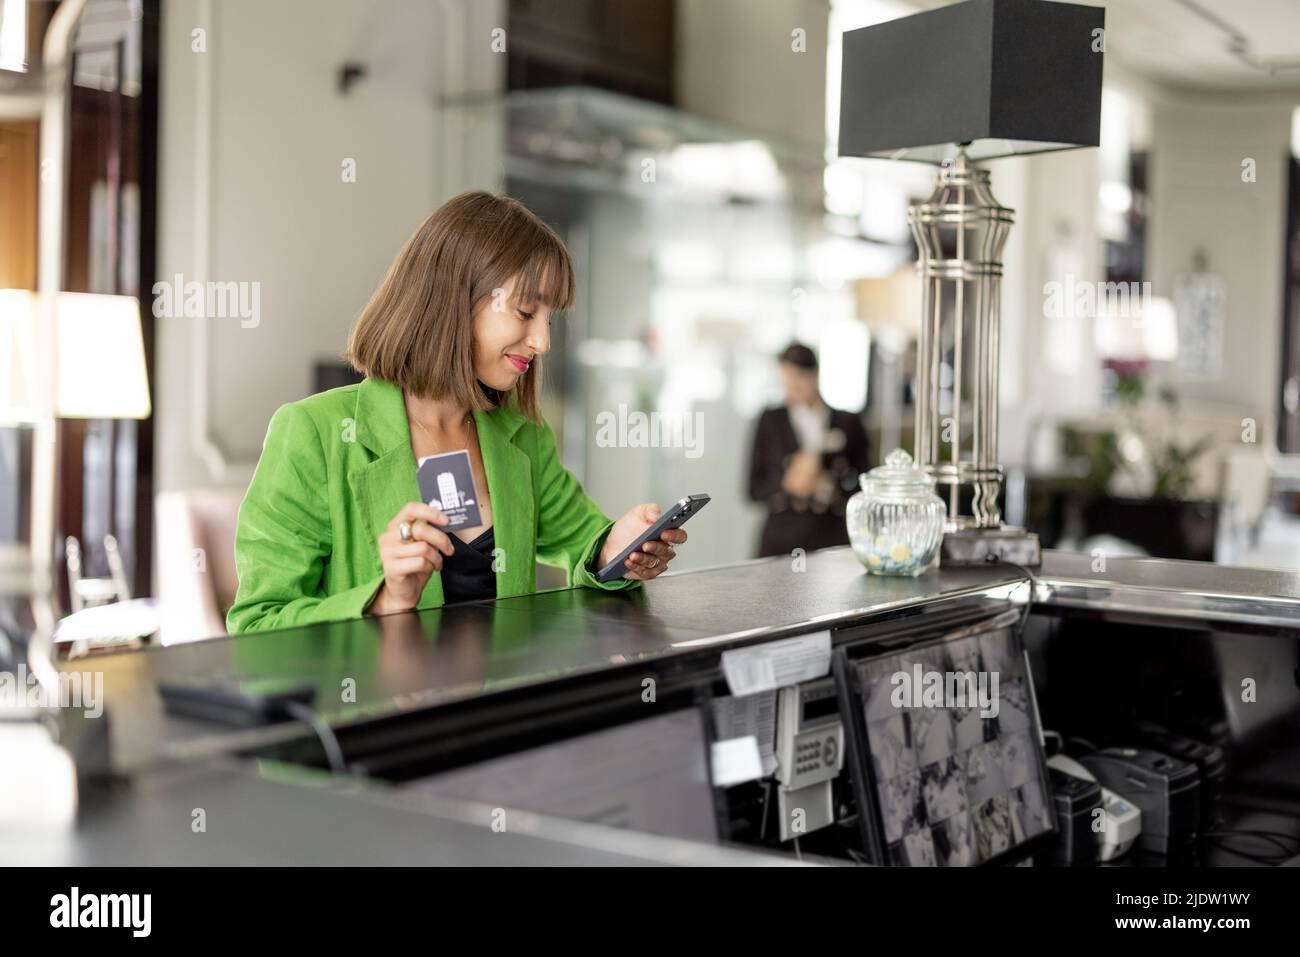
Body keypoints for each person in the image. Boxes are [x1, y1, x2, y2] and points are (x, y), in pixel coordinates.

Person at [226, 191, 686, 634]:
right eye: (526, 312)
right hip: (377, 709)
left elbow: (585, 545)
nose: (543, 342)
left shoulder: (520, 436)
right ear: (454, 301)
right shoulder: (314, 433)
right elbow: (257, 626)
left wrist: (619, 546)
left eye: (551, 319)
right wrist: (384, 602)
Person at [747, 342, 870, 558]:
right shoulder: (770, 420)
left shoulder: (847, 422)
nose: (791, 389)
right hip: (780, 543)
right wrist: (789, 483)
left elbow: (865, 483)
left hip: (830, 540)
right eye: (786, 381)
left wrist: (828, 486)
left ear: (814, 375)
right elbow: (752, 488)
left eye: (798, 379)